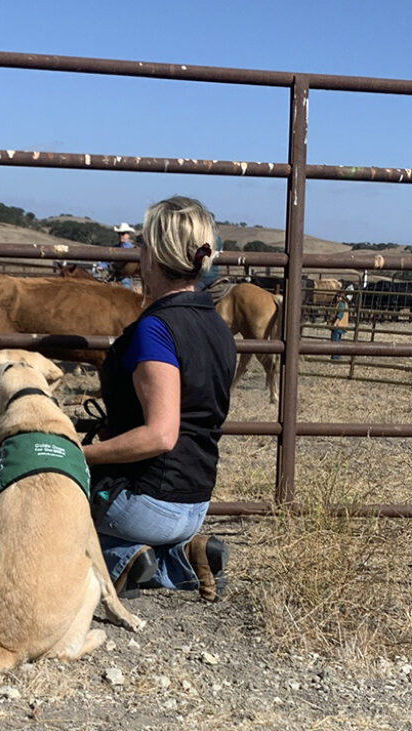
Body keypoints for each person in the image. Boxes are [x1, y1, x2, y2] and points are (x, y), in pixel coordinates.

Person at [82, 196, 237, 602]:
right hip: (196, 501)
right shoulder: (217, 326)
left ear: (153, 256)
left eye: (143, 246)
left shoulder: (156, 328)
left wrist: (81, 454)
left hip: (148, 503)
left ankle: (120, 559)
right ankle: (185, 557)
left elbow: (161, 435)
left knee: (55, 505)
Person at [101, 222, 137, 288]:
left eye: (123, 234)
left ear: (128, 235)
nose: (121, 236)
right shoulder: (115, 247)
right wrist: (102, 266)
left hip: (125, 277)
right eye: (119, 234)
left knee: (126, 289)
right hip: (113, 276)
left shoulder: (132, 249)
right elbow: (107, 260)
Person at [329, 286, 353, 360]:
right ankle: (336, 355)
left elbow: (340, 315)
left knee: (334, 341)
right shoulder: (344, 304)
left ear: (341, 297)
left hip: (338, 325)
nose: (336, 298)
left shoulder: (341, 304)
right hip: (341, 325)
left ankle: (335, 356)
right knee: (338, 340)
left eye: (338, 296)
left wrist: (335, 323)